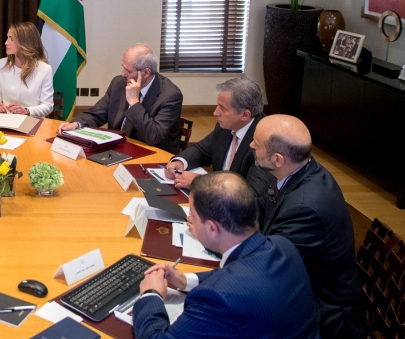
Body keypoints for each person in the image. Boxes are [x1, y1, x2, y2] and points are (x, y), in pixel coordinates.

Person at [133, 172, 320, 339]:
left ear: (212, 228)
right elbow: (237, 273)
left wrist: (151, 295)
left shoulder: (218, 298)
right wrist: (186, 281)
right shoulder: (282, 246)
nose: (190, 221)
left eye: (193, 217)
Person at [251, 114, 366, 339]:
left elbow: (267, 269)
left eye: (257, 143)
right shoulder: (299, 169)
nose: (251, 145)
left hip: (324, 318)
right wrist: (216, 213)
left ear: (277, 159)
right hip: (300, 287)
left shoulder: (305, 207)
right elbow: (261, 207)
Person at [57, 44, 183, 153]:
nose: (123, 74)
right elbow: (98, 112)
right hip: (118, 149)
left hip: (152, 156)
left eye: (128, 70)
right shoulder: (119, 83)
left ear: (146, 73)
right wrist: (76, 124)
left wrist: (134, 102)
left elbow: (153, 136)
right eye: (123, 67)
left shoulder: (170, 95)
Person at [163, 78, 273, 195]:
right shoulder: (224, 127)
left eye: (222, 108)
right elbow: (201, 150)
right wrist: (180, 162)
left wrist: (200, 182)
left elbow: (252, 193)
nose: (215, 113)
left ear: (245, 115)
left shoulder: (265, 142)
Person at [0, 22, 54, 117]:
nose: (6, 42)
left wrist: (26, 111)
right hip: (6, 120)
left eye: (11, 38)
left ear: (24, 42)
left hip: (33, 123)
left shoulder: (45, 69)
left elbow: (48, 106)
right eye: (7, 37)